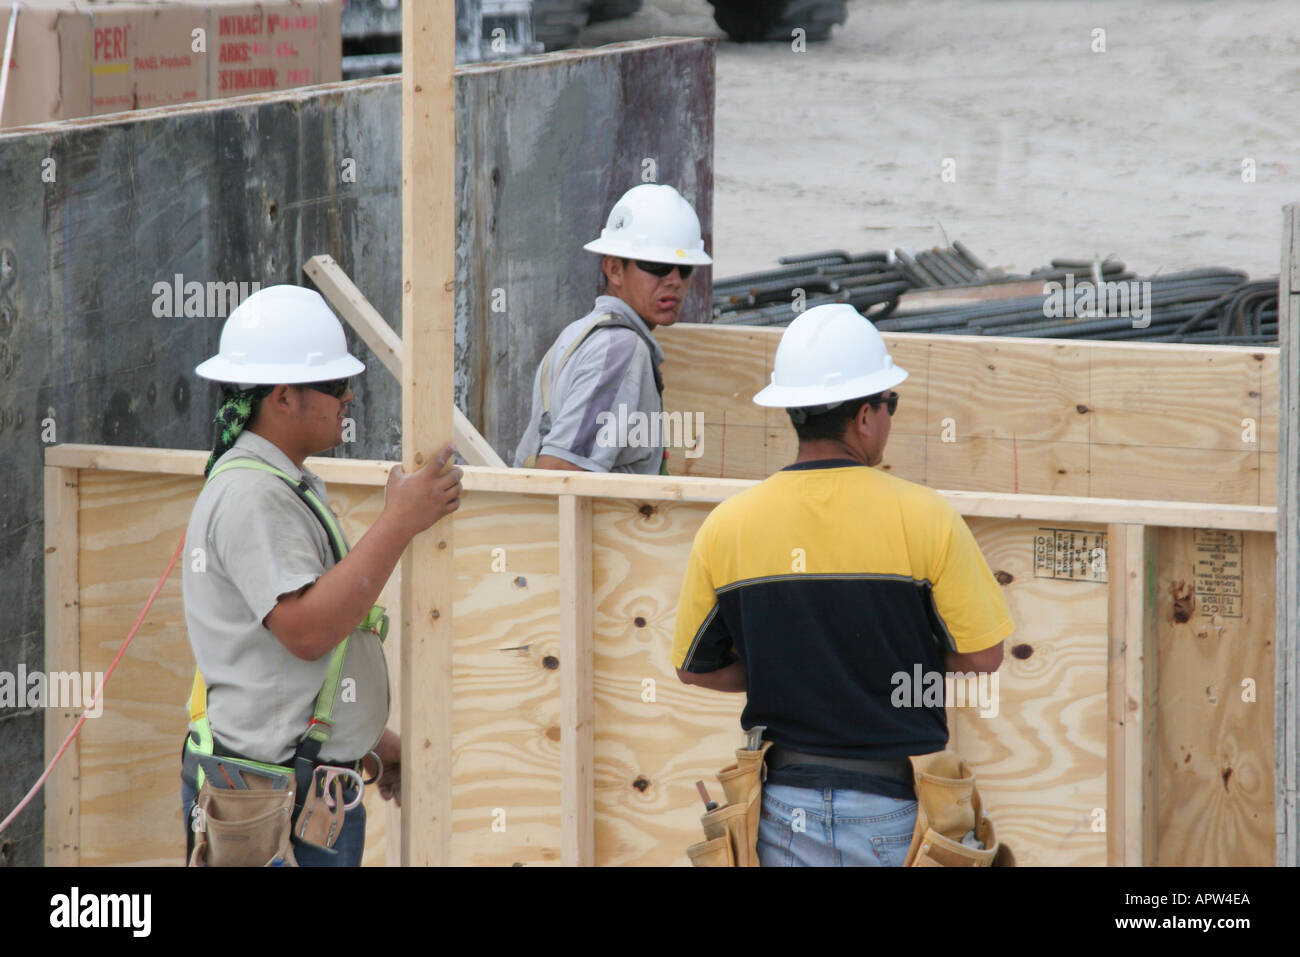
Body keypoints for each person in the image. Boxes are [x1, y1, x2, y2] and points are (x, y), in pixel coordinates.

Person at [670, 303, 1013, 867]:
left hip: (779, 813)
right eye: (890, 403)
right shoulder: (925, 517)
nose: (889, 418)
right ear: (864, 417)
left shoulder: (727, 526)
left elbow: (692, 667)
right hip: (890, 809)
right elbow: (982, 655)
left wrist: (793, 666)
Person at [180, 284, 462, 866]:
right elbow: (306, 631)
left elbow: (279, 670)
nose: (348, 397)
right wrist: (400, 522)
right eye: (333, 387)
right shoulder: (252, 493)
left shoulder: (274, 482)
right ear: (283, 397)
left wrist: (368, 743)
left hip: (293, 784)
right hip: (275, 796)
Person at [513, 183, 711, 474]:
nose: (673, 281)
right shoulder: (621, 349)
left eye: (684, 269)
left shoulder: (579, 333)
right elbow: (558, 473)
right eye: (656, 265)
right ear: (614, 269)